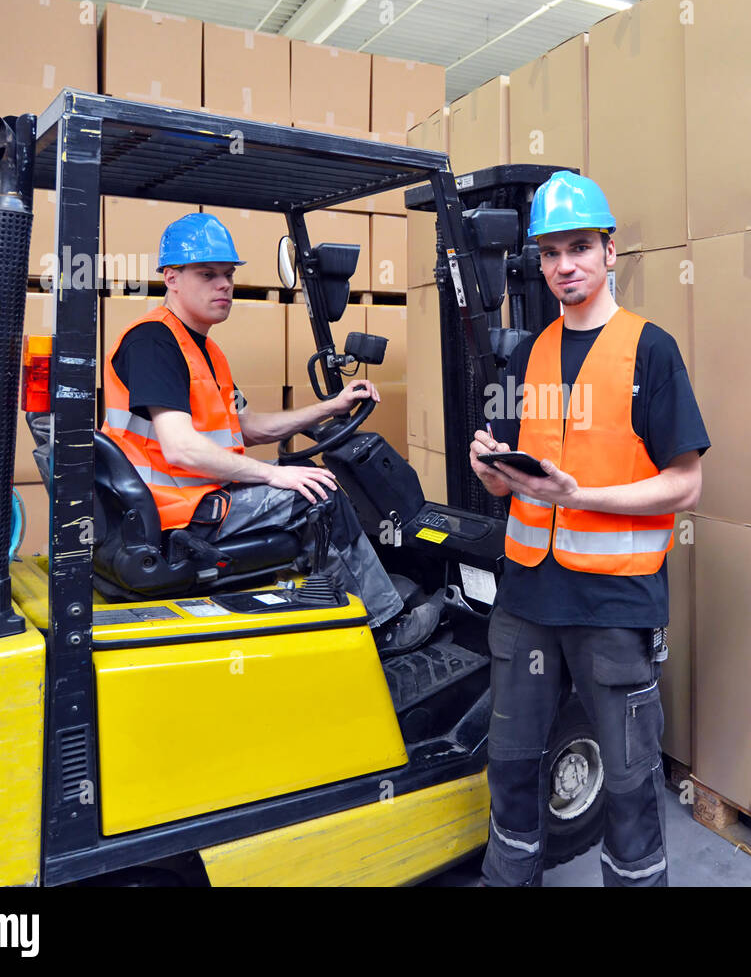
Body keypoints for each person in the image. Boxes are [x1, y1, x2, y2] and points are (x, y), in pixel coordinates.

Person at [469, 171, 709, 886]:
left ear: (610, 252)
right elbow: (510, 476)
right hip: (526, 607)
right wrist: (489, 469)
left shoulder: (651, 351)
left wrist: (584, 495)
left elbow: (687, 483)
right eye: (550, 252)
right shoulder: (526, 354)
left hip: (613, 610)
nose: (564, 265)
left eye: (579, 247)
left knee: (630, 788)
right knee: (511, 773)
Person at [102, 212, 437, 652]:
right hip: (179, 517)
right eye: (208, 274)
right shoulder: (154, 342)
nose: (224, 285)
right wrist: (274, 475)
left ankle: (330, 601)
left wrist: (329, 407)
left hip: (198, 499)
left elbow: (249, 426)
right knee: (319, 494)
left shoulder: (206, 351)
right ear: (172, 278)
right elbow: (180, 448)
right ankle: (383, 626)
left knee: (307, 478)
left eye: (228, 275)